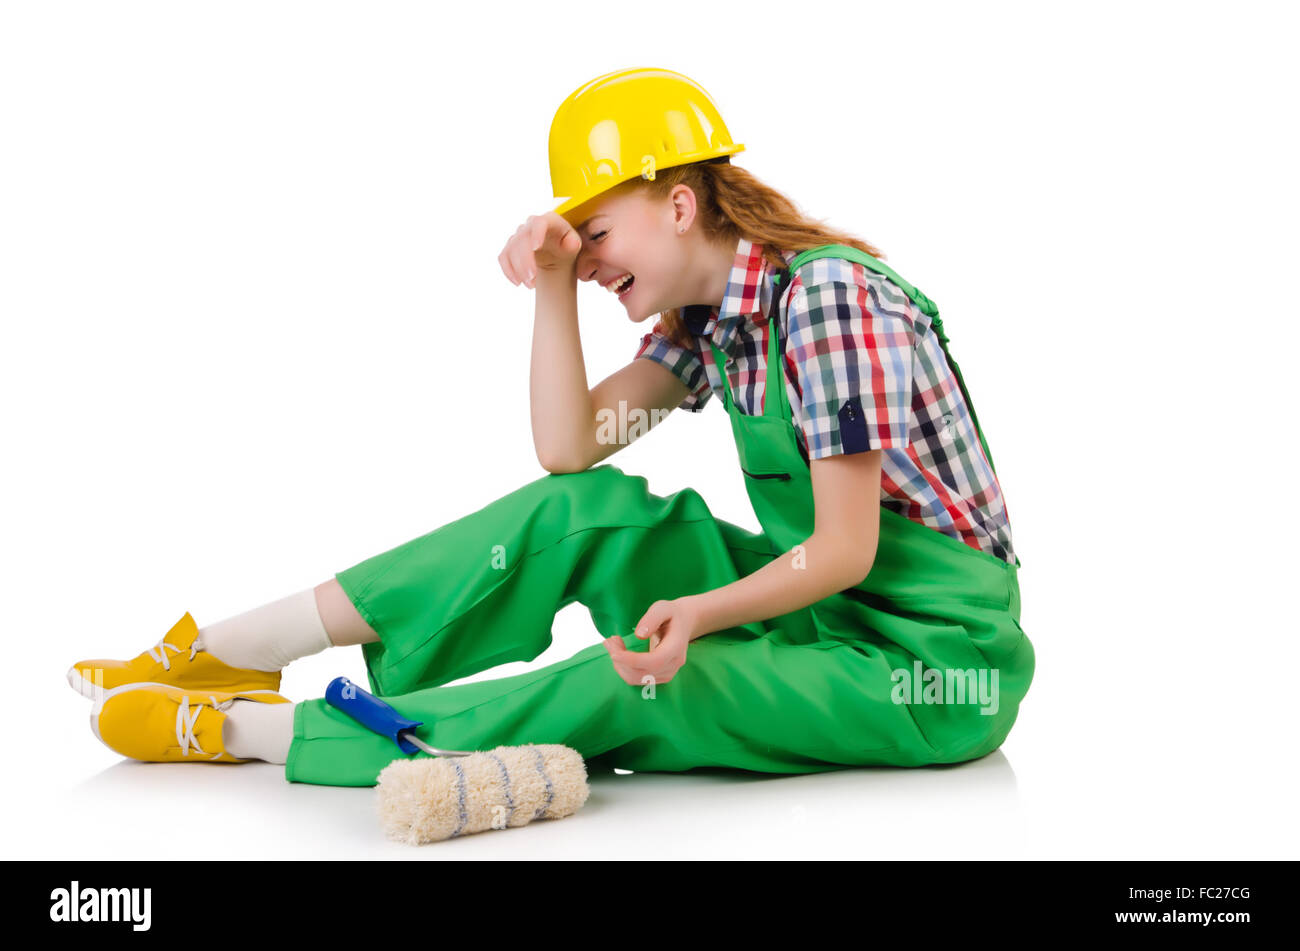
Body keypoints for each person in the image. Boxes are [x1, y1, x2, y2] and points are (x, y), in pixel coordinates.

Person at [70, 67, 1034, 786]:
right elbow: (570, 448)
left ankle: (255, 732)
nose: (587, 254)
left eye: (598, 232)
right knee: (581, 513)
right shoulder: (714, 323)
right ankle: (228, 652)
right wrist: (554, 288)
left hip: (933, 666)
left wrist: (696, 615)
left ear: (681, 202)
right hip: (825, 609)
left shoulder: (825, 297)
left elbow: (845, 548)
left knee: (636, 681)